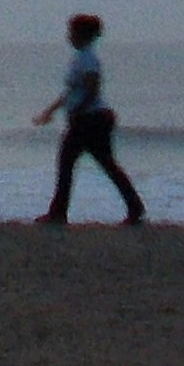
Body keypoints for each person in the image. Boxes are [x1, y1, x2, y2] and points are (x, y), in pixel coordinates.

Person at [32, 14, 146, 223]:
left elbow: (92, 89)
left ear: (80, 35)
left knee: (73, 162)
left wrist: (78, 110)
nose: (68, 37)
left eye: (71, 33)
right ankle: (134, 207)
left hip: (91, 120)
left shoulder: (87, 59)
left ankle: (58, 213)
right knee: (100, 163)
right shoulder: (80, 58)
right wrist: (50, 111)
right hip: (87, 119)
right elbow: (71, 92)